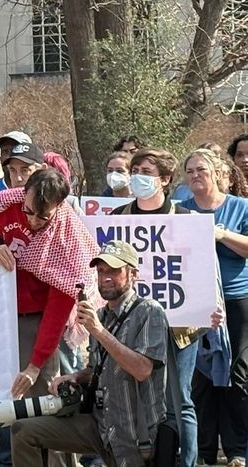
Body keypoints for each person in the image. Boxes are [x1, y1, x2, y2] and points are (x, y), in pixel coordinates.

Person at [0, 169, 99, 467]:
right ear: (23, 194)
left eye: (42, 216)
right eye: (29, 211)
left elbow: (58, 309)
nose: (33, 220)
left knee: (45, 405)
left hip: (35, 321)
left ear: (59, 207)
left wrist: (35, 366)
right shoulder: (2, 206)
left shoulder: (68, 237)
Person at [11, 240, 169, 467]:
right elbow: (96, 369)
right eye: (101, 271)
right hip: (100, 424)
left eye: (114, 271)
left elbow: (142, 370)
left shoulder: (149, 311)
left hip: (135, 434)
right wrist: (74, 378)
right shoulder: (100, 316)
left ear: (133, 274)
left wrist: (98, 331)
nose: (105, 277)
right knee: (23, 431)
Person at [109, 148, 207, 467]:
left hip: (180, 326)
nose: (137, 176)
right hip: (132, 325)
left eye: (147, 172)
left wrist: (212, 306)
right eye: (135, 169)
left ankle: (186, 462)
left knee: (180, 400)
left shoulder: (187, 221)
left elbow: (204, 271)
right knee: (133, 398)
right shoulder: (117, 219)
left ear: (165, 180)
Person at [180, 148, 248, 466]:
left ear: (219, 173)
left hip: (237, 300)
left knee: (236, 373)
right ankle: (205, 451)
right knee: (202, 377)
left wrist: (220, 234)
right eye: (190, 170)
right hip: (196, 301)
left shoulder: (240, 207)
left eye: (202, 169)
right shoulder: (180, 210)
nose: (195, 175)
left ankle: (237, 449)